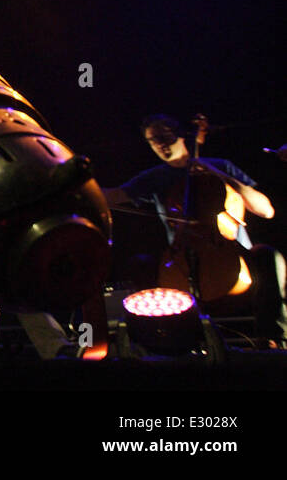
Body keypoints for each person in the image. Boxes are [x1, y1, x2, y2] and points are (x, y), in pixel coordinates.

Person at [105, 114, 287, 346]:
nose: (160, 144)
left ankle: (273, 338)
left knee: (268, 256)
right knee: (141, 265)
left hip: (232, 253)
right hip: (181, 259)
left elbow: (266, 210)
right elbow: (114, 196)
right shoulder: (156, 177)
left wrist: (218, 174)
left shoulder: (221, 165)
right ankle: (164, 343)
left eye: (164, 136)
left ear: (181, 135)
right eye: (152, 140)